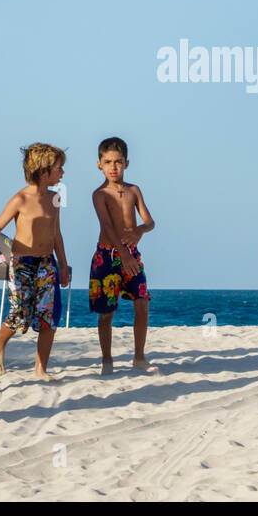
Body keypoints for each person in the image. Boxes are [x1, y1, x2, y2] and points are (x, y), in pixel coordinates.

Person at [0, 144, 71, 381]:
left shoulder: (55, 198)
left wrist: (63, 265)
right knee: (20, 313)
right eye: (58, 168)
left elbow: (57, 233)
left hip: (47, 263)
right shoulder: (20, 199)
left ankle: (40, 369)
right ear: (43, 171)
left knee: (48, 316)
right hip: (22, 264)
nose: (62, 173)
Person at [90, 137, 157, 375]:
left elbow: (150, 222)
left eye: (118, 162)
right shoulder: (100, 194)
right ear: (99, 164)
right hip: (107, 256)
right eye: (107, 162)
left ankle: (139, 357)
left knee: (142, 302)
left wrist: (140, 229)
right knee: (106, 312)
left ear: (126, 163)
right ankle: (107, 361)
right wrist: (122, 255)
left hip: (132, 255)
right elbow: (107, 226)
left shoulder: (133, 190)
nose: (113, 167)